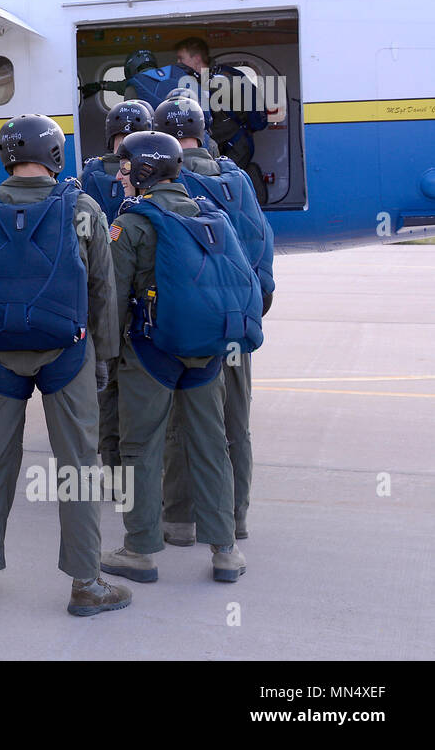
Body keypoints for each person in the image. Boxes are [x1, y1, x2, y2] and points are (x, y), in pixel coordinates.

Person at [0, 114, 131, 616]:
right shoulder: (85, 208)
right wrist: (104, 359)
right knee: (77, 469)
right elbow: (102, 290)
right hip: (67, 352)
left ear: (6, 155)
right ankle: (86, 583)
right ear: (54, 153)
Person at [100, 130, 262, 584]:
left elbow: (111, 301)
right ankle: (226, 551)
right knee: (211, 445)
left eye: (127, 167)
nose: (121, 175)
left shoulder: (130, 223)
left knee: (140, 449)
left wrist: (104, 360)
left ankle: (139, 550)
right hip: (206, 355)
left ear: (146, 171)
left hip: (151, 354)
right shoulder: (208, 216)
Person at [154, 97, 275, 544]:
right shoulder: (237, 178)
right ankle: (236, 516)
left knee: (180, 424)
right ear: (204, 131)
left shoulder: (166, 180)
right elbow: (263, 241)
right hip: (236, 323)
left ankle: (180, 521)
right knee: (235, 423)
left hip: (188, 328)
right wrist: (256, 302)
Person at [79, 99, 153, 482]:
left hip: (104, 298)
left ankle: (112, 471)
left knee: (106, 388)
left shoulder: (92, 173)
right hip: (147, 303)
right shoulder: (158, 170)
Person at [174, 36, 269, 176]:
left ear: (196, 59)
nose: (178, 63)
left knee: (228, 186)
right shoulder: (193, 82)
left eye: (181, 58)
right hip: (214, 147)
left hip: (235, 146)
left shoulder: (225, 78)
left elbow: (256, 117)